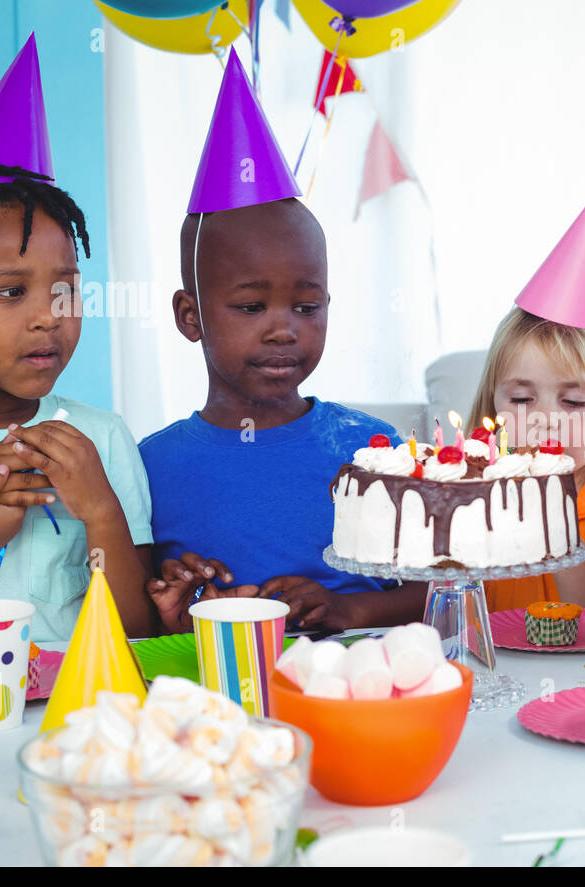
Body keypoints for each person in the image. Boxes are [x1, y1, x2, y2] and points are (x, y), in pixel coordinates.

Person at [139, 52, 425, 634]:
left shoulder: (374, 448)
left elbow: (441, 596)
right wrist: (173, 608)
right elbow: (138, 619)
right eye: (250, 306)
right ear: (190, 316)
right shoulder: (151, 466)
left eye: (306, 306)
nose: (283, 328)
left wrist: (351, 608)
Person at [0, 37, 154, 645]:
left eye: (64, 289)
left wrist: (99, 512)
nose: (49, 317)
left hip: (65, 720)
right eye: (11, 292)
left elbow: (136, 633)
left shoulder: (103, 439)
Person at [468, 185, 585, 612]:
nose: (546, 420)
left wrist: (552, 515)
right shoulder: (474, 499)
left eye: (574, 403)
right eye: (524, 399)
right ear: (494, 408)